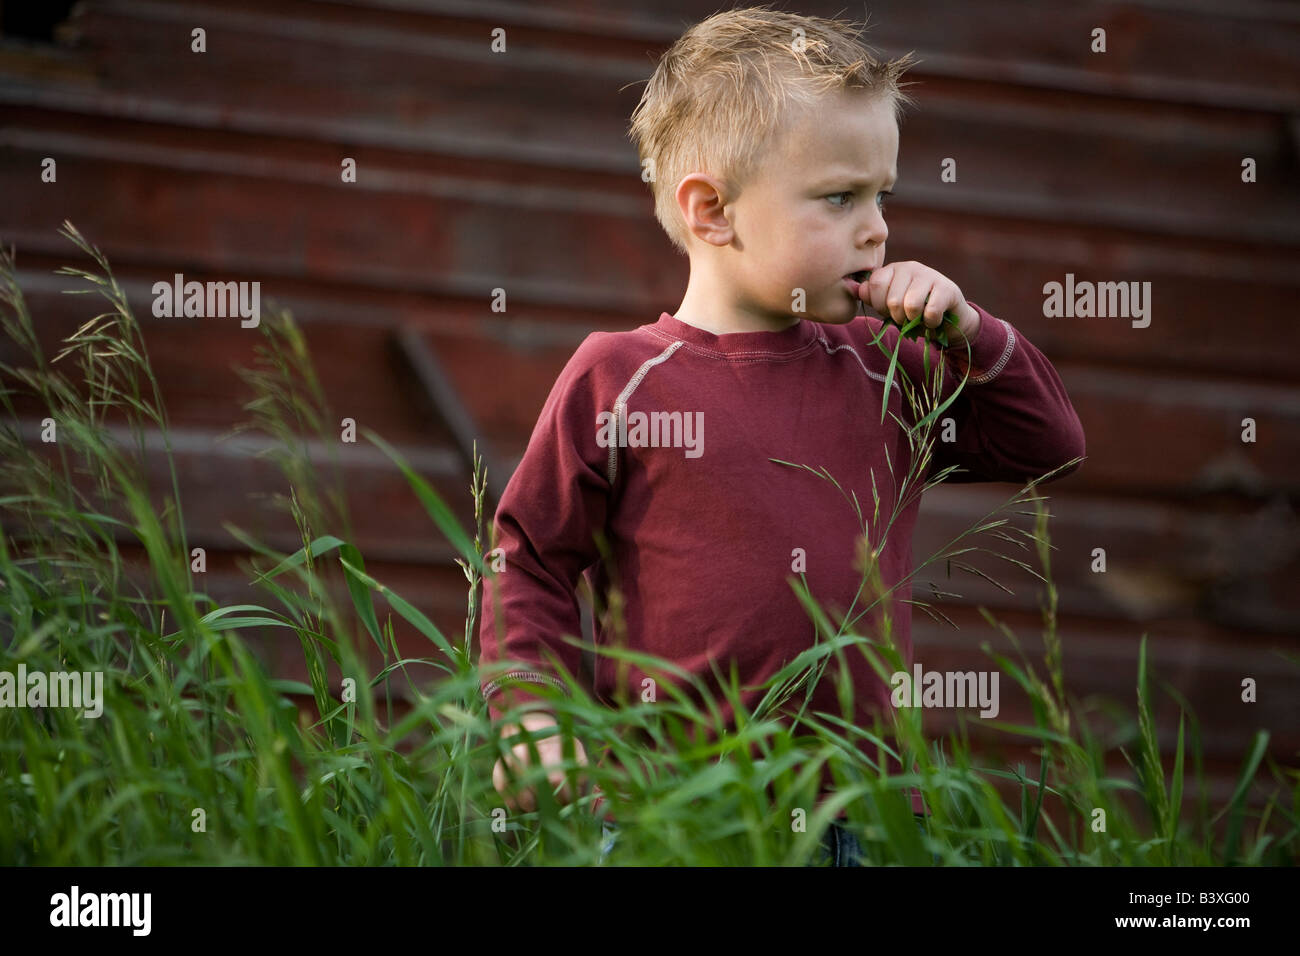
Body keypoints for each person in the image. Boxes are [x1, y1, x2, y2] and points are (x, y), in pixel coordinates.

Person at [479, 5, 1085, 866]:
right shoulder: (620, 376)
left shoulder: (884, 367)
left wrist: (971, 332)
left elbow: (1049, 446)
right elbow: (527, 561)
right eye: (840, 197)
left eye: (882, 195)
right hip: (674, 808)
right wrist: (534, 716)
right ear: (713, 210)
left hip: (866, 815)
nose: (876, 227)